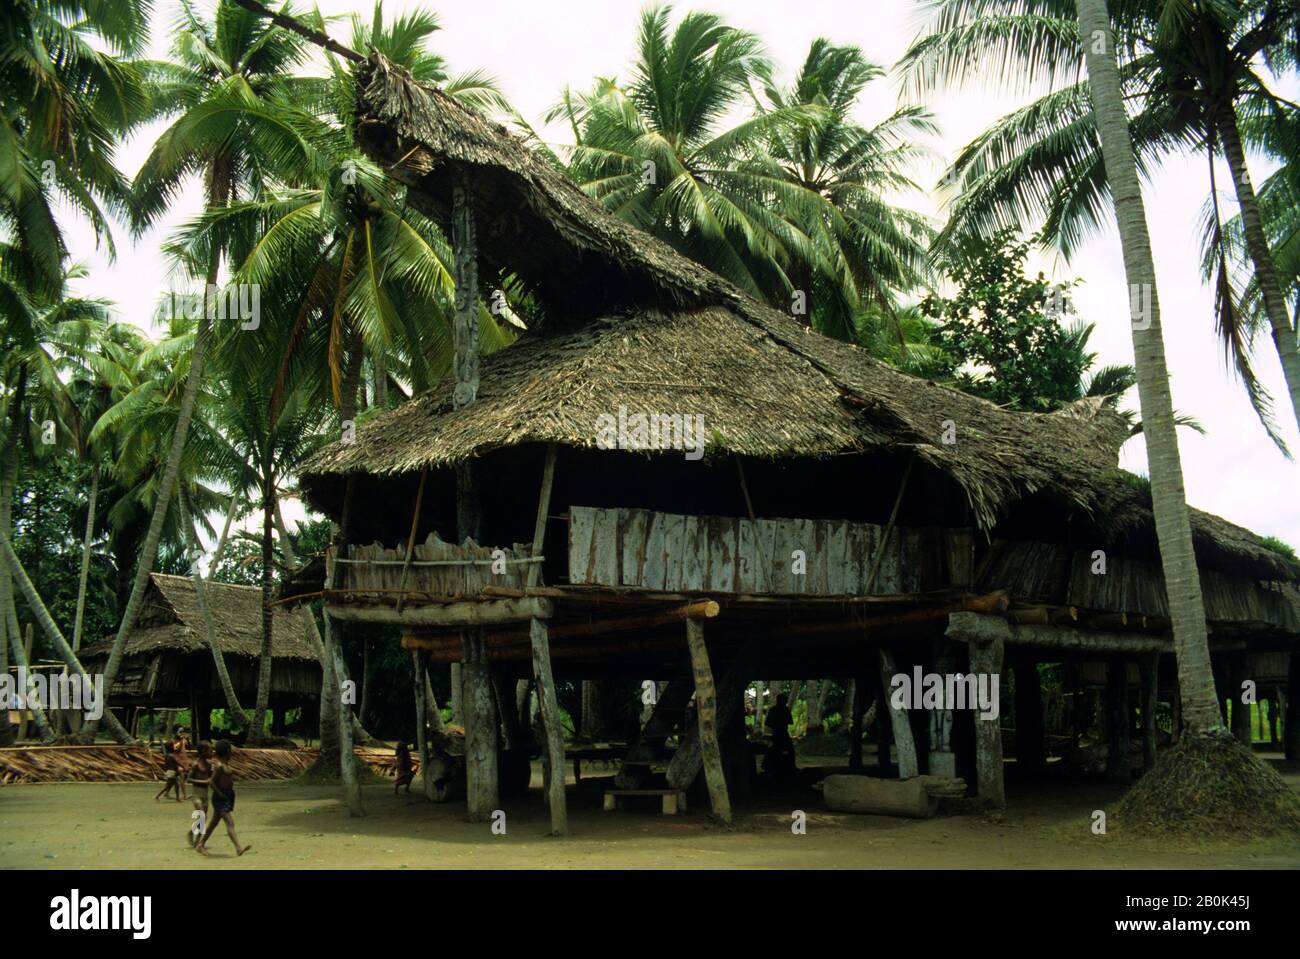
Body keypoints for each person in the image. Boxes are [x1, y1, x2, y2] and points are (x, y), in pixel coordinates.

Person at [196, 740, 251, 856]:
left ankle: (200, 844)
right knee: (230, 823)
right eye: (230, 751)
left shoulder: (224, 764)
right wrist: (220, 794)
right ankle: (238, 848)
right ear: (227, 752)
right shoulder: (219, 766)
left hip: (227, 796)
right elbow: (211, 782)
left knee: (213, 823)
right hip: (221, 798)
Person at [186, 742, 214, 848]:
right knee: (202, 816)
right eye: (210, 751)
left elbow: (211, 779)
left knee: (204, 818)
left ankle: (196, 838)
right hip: (197, 792)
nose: (212, 753)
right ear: (203, 752)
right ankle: (195, 837)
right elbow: (188, 779)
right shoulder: (196, 764)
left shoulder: (210, 765)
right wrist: (204, 782)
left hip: (205, 794)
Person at [765, 692, 796, 778]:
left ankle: (771, 768)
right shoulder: (785, 710)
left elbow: (767, 723)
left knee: (775, 750)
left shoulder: (773, 710)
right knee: (790, 750)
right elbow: (791, 722)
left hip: (776, 733)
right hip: (783, 733)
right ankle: (791, 767)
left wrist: (775, 724)